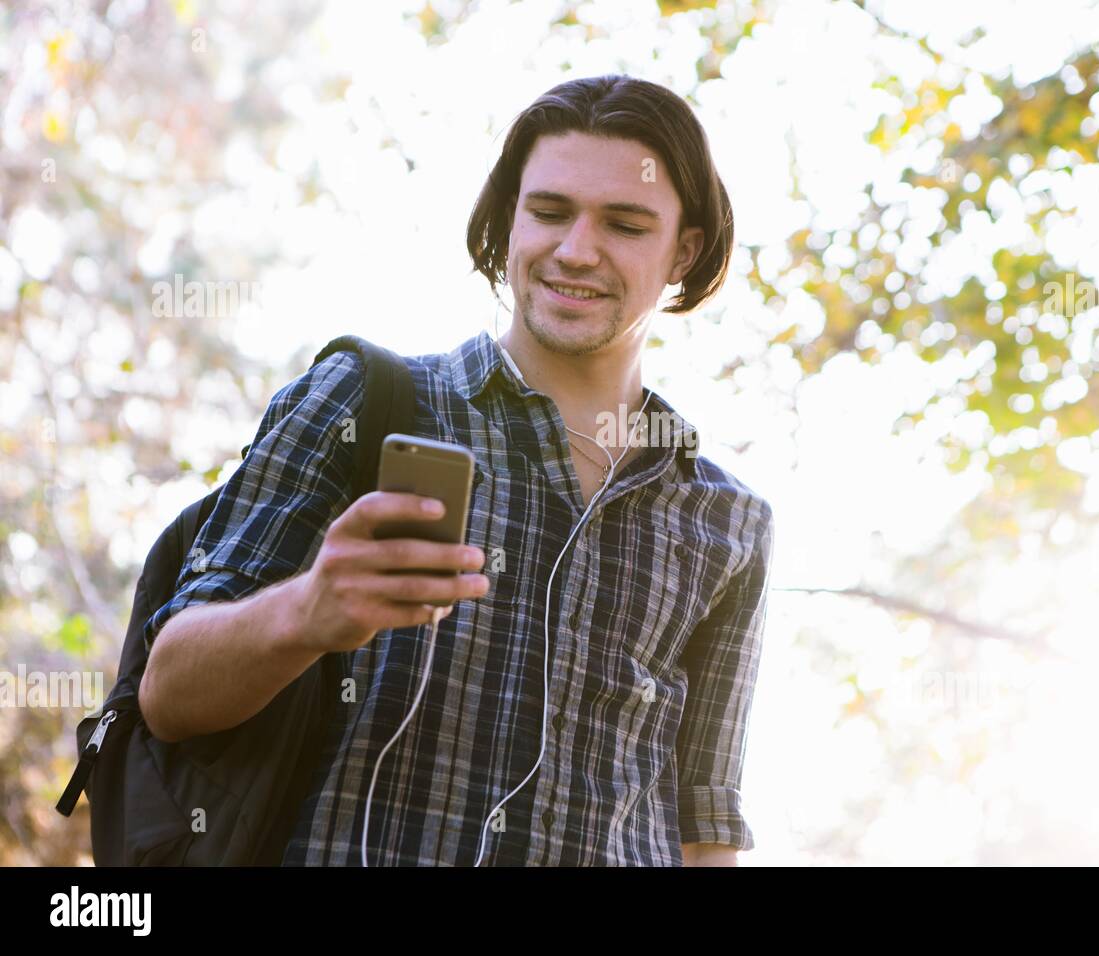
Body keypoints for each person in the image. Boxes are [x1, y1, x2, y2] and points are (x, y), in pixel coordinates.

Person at [137, 74, 775, 866]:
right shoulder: (363, 401)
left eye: (625, 223)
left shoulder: (728, 519)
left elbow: (704, 823)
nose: (576, 249)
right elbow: (167, 695)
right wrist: (306, 611)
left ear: (684, 249)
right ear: (509, 219)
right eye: (548, 212)